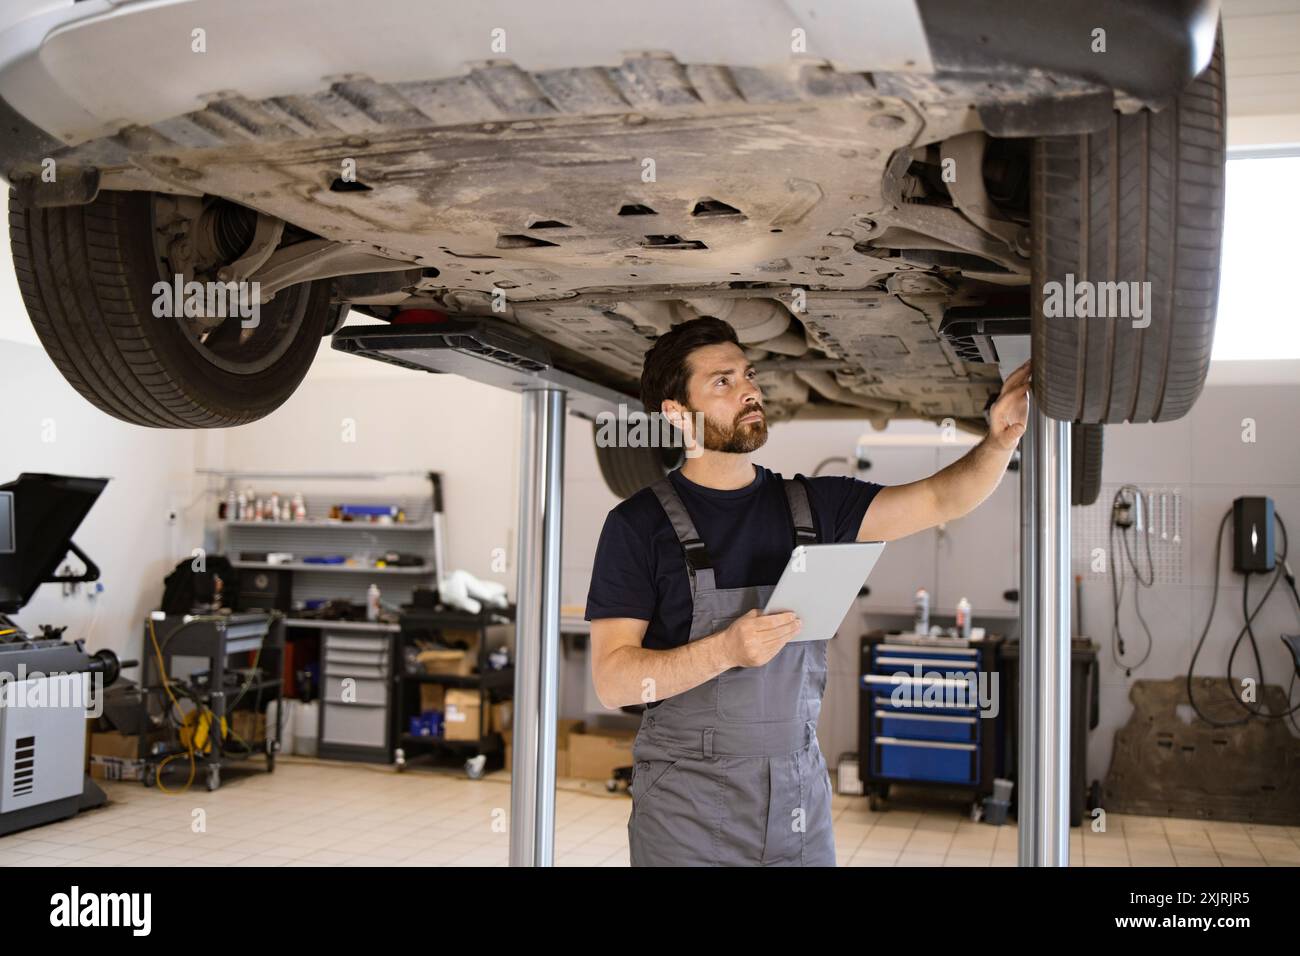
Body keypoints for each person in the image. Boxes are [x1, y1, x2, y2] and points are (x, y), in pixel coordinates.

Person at [586, 316, 1030, 866]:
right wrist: (725, 651)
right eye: (722, 382)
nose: (750, 390)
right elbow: (613, 681)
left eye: (747, 375)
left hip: (796, 797)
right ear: (678, 414)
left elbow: (941, 500)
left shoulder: (813, 506)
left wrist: (1000, 439)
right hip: (686, 809)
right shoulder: (638, 526)